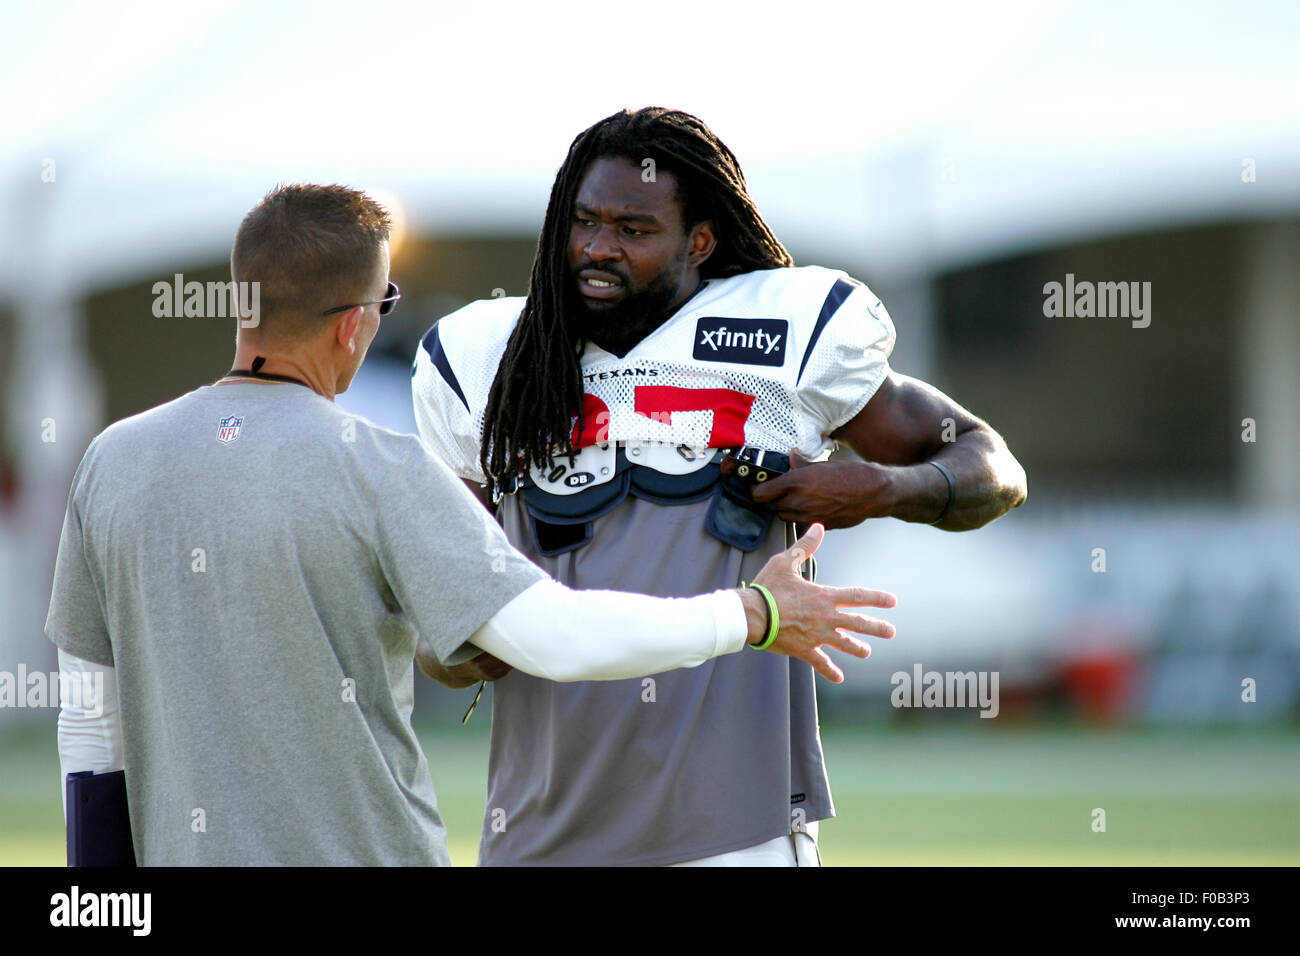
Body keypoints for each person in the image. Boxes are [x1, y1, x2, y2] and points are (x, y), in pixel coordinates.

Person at [45, 183, 897, 866]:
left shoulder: (110, 461)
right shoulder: (377, 464)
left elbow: (88, 720)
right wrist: (753, 613)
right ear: (353, 324)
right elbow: (556, 638)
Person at [411, 107, 1028, 866]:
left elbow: (992, 467)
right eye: (583, 221)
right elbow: (436, 639)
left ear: (700, 241)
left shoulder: (785, 334)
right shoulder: (486, 363)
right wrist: (467, 645)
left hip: (736, 835)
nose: (599, 249)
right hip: (539, 831)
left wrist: (877, 489)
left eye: (634, 229)